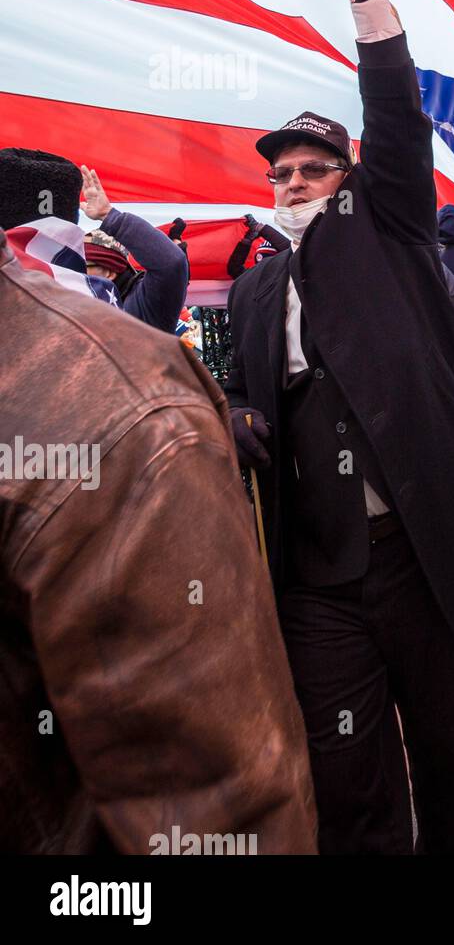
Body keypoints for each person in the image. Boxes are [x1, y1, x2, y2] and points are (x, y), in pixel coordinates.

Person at [223, 0, 454, 855]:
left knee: (441, 764)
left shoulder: (385, 222)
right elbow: (243, 407)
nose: (296, 182)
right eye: (283, 173)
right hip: (317, 579)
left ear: (346, 176)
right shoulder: (259, 291)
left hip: (420, 559)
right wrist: (235, 429)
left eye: (313, 168)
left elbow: (396, 117)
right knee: (347, 782)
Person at [0, 233, 316, 853]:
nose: (77, 272)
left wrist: (108, 215)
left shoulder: (125, 371)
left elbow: (219, 796)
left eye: (92, 265)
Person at [79, 165, 190, 330]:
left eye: (83, 267)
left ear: (109, 271)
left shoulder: (147, 301)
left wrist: (108, 216)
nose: (77, 273)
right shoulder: (84, 308)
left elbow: (171, 263)